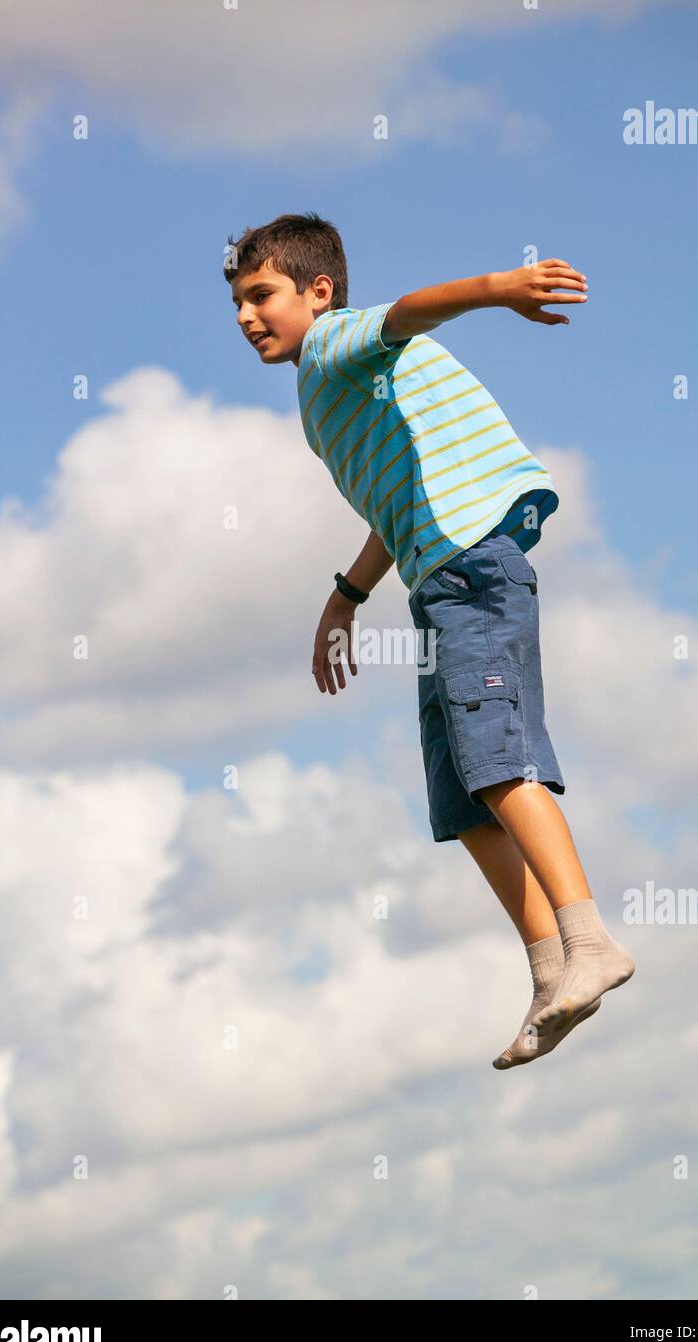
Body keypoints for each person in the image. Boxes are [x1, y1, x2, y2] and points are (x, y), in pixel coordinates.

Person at [224, 212, 635, 1068]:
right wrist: (346, 595)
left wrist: (500, 290)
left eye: (261, 295)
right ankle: (551, 967)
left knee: (498, 755)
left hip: (470, 569)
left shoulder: (339, 340)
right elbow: (393, 506)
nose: (245, 316)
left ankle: (590, 938)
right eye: (237, 303)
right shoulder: (324, 395)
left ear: (319, 291)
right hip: (435, 580)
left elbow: (409, 309)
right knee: (459, 796)